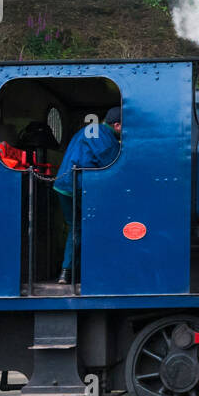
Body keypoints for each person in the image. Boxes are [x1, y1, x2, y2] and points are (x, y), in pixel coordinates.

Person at [53, 106, 122, 283]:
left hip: (63, 185)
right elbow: (114, 168)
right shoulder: (106, 139)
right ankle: (97, 271)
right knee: (99, 224)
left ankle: (67, 272)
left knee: (75, 227)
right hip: (80, 186)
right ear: (117, 125)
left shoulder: (88, 130)